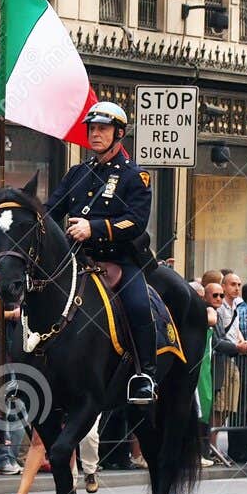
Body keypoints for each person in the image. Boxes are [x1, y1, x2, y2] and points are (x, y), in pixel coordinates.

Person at [45, 101, 157, 405]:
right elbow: (51, 211)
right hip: (78, 260)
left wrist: (93, 228)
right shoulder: (77, 173)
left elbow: (136, 221)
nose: (95, 134)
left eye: (102, 129)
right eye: (92, 128)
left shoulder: (135, 175)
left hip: (119, 260)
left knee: (138, 305)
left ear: (119, 133)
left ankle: (145, 375)